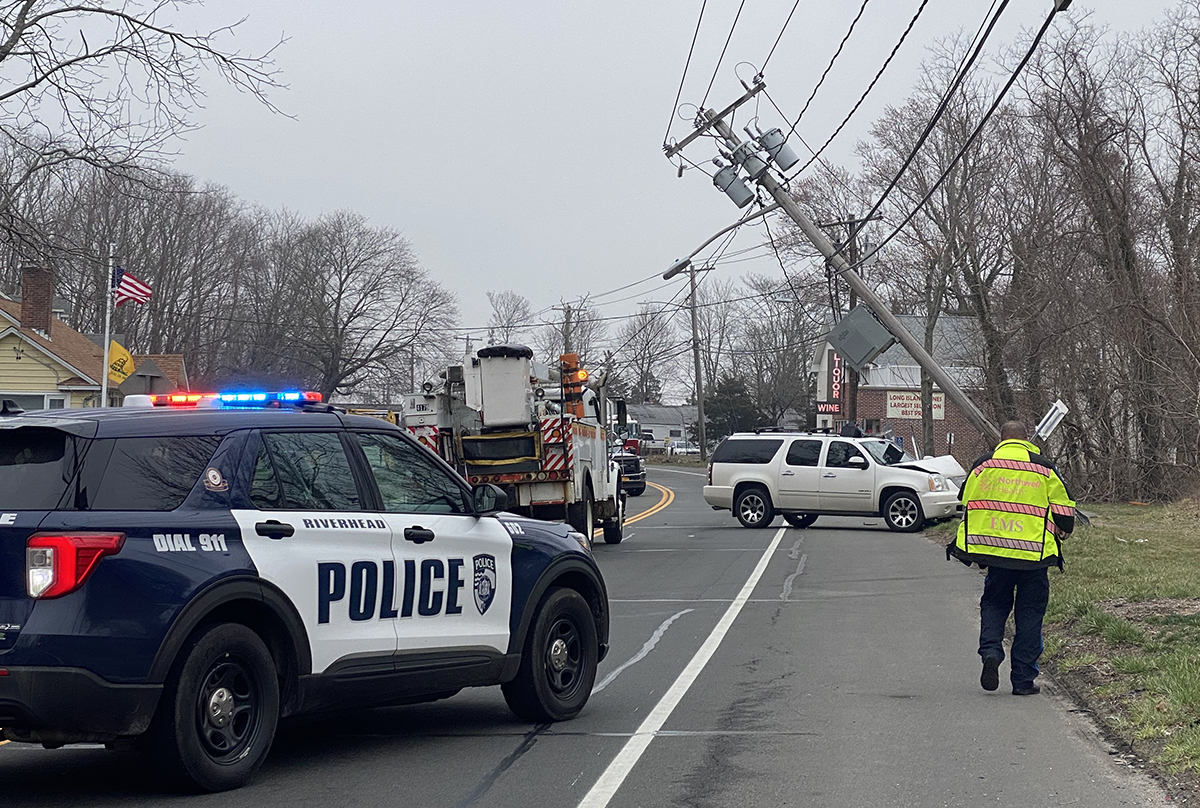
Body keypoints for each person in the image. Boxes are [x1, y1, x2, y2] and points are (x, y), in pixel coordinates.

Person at [947, 420, 1075, 696]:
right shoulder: (1044, 467)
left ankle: (991, 652)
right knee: (1029, 615)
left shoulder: (984, 465)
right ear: (1026, 439)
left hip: (995, 555)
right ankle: (1023, 680)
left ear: (1002, 439)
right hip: (1034, 558)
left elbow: (964, 500)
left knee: (994, 604)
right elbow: (1066, 517)